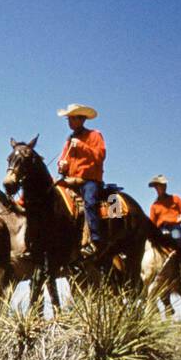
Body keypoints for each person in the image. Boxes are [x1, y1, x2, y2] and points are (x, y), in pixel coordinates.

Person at [55, 103, 107, 256]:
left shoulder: (94, 135)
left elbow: (100, 156)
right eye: (68, 119)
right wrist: (62, 165)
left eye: (72, 118)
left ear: (81, 119)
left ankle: (94, 240)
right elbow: (63, 159)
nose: (69, 121)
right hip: (71, 180)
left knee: (90, 202)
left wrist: (83, 146)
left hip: (89, 180)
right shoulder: (69, 139)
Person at [148, 175, 181, 278]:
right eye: (160, 185)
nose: (163, 187)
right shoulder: (154, 206)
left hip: (174, 227)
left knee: (179, 242)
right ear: (156, 187)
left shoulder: (175, 199)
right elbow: (152, 224)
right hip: (161, 229)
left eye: (164, 185)